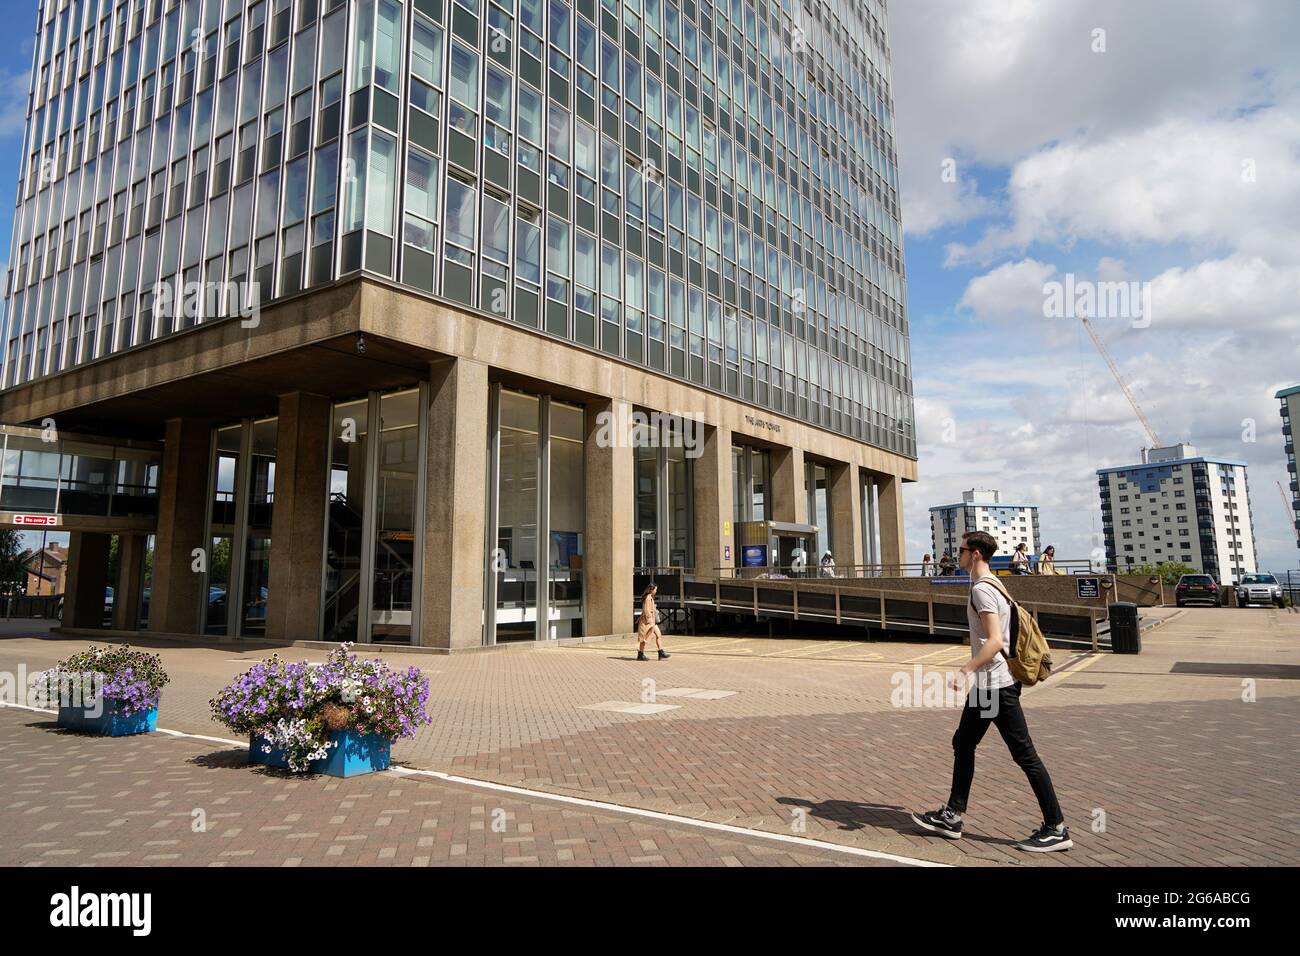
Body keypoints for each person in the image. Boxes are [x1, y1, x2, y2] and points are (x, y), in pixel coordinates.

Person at [911, 530, 1071, 852]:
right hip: (989, 687)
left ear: (976, 554)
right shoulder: (993, 585)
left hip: (997, 687)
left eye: (961, 550)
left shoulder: (983, 590)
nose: (958, 555)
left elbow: (996, 641)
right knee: (964, 743)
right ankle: (952, 816)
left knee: (1025, 755)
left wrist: (965, 670)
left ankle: (1056, 828)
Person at [636, 582, 669, 661]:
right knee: (644, 638)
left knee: (658, 635)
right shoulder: (648, 598)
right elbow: (646, 610)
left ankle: (661, 652)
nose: (656, 591)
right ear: (652, 590)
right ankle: (640, 654)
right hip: (648, 622)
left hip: (652, 621)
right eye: (655, 589)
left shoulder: (650, 597)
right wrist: (649, 621)